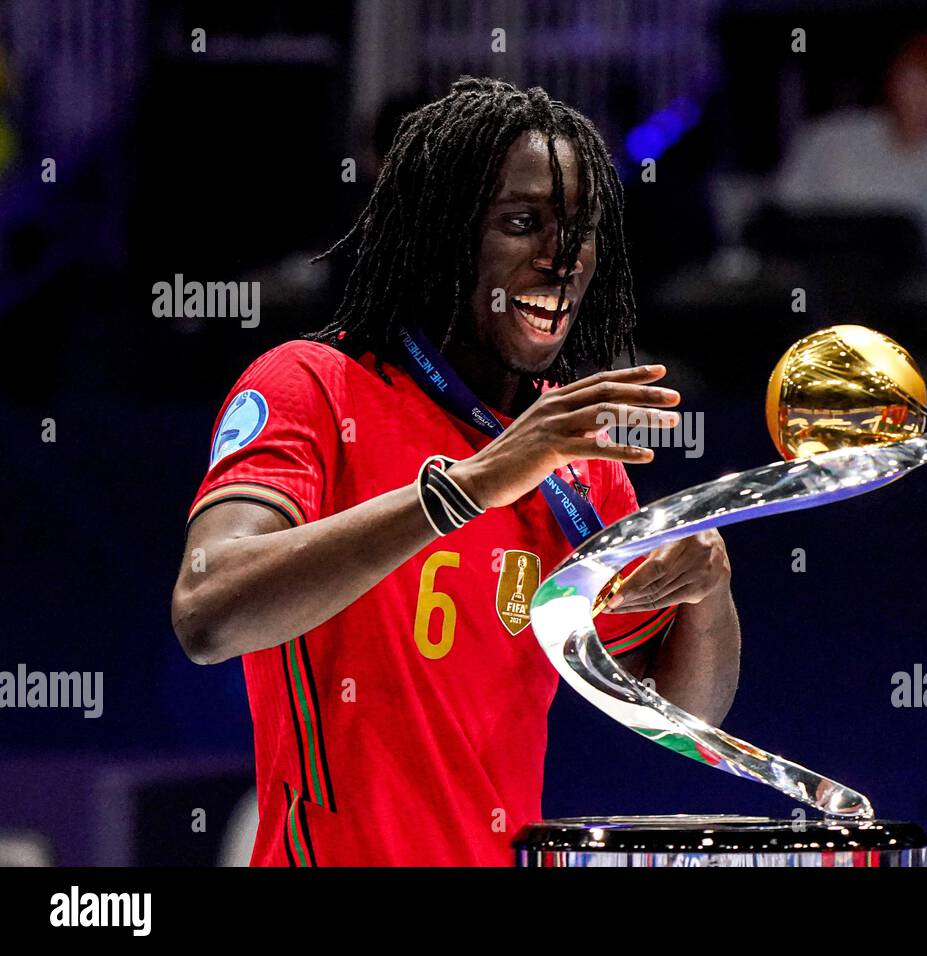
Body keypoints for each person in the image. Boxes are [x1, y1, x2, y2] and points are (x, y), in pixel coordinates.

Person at [170, 77, 741, 866]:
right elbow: (208, 612)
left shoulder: (576, 460)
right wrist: (472, 484)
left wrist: (709, 592)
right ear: (442, 234)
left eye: (579, 229)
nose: (560, 256)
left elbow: (683, 716)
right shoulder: (308, 385)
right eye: (521, 222)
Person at [773, 31, 927, 268]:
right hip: (820, 278)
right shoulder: (832, 138)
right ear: (893, 80)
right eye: (912, 79)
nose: (918, 95)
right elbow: (784, 211)